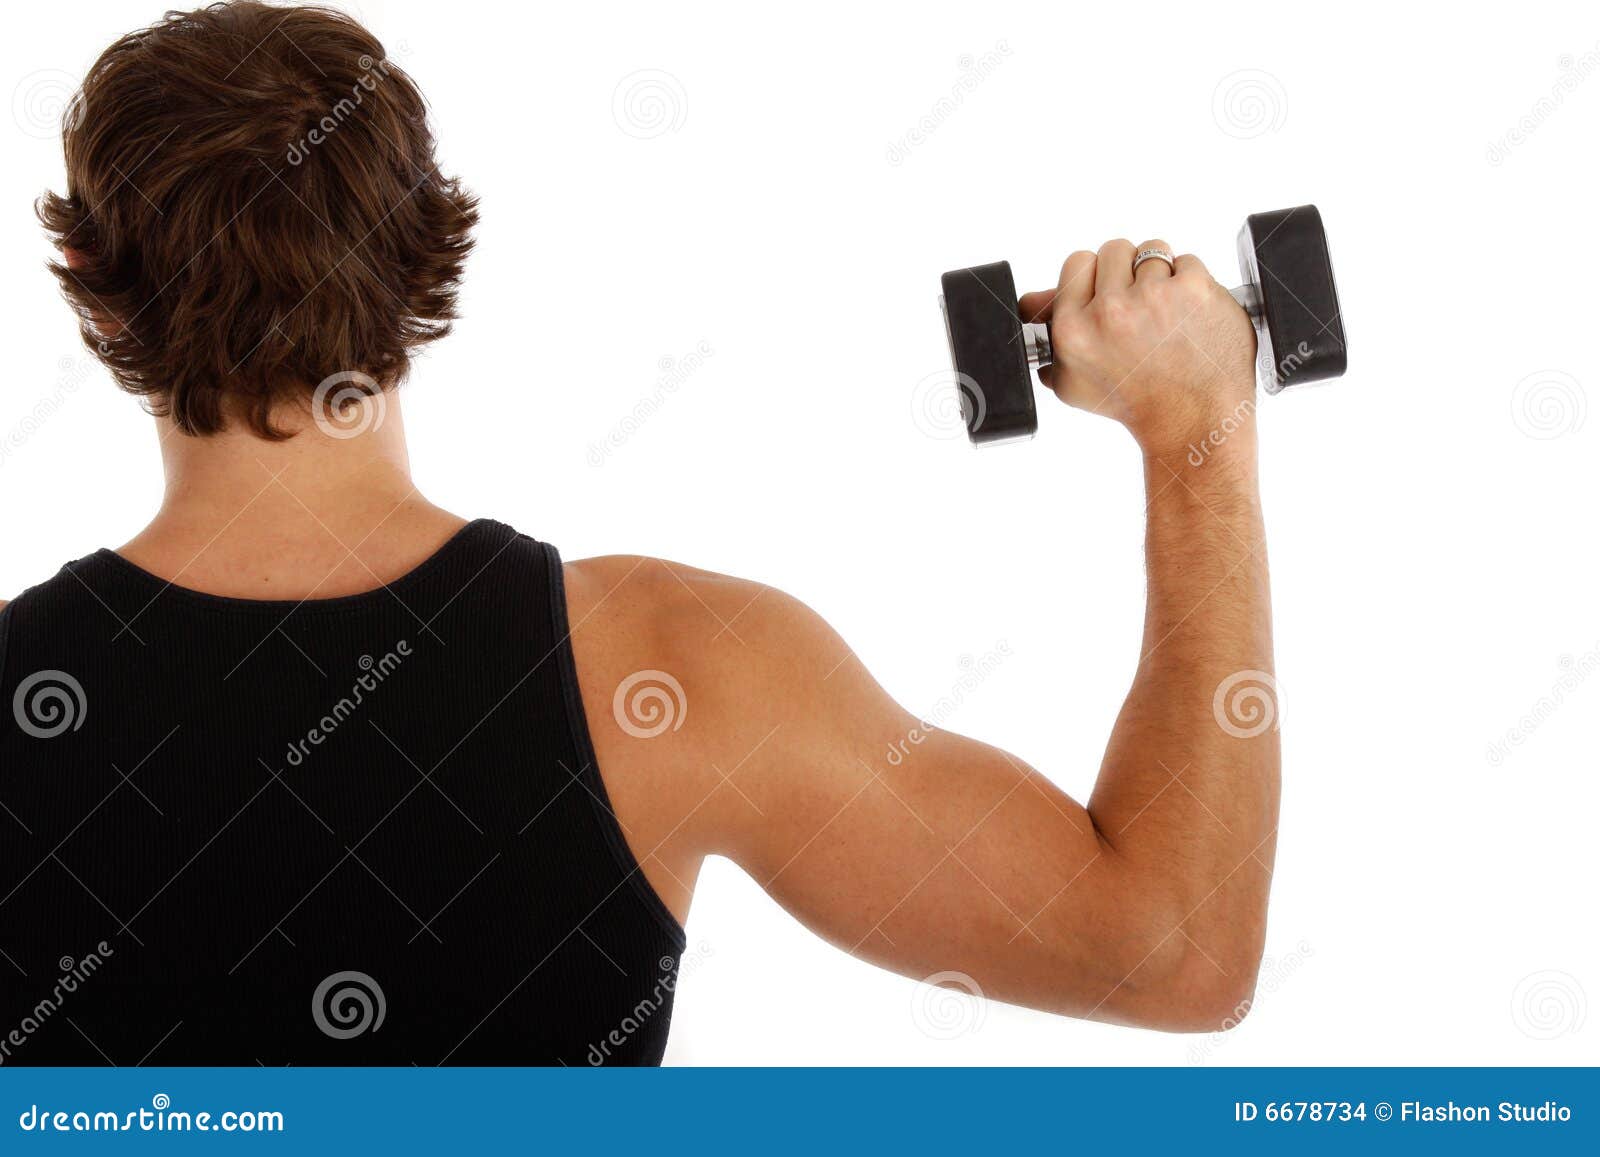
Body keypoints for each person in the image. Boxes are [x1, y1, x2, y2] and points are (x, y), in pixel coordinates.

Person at [0, 1, 1278, 1065]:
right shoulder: (675, 671)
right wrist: (1196, 433)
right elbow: (1175, 953)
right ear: (423, 259)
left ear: (101, 300)